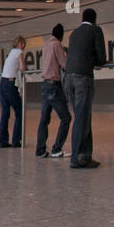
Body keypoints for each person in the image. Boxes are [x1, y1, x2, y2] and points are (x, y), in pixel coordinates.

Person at [64, 8, 106, 169]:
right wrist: (96, 60)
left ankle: (85, 156)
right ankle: (76, 158)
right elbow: (101, 57)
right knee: (82, 118)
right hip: (83, 78)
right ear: (95, 19)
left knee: (82, 116)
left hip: (69, 78)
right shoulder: (95, 30)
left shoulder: (74, 33)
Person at [35, 24, 71, 158]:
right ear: (61, 35)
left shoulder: (46, 45)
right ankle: (57, 149)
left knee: (44, 119)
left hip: (45, 84)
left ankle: (40, 150)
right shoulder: (57, 45)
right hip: (54, 86)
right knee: (66, 117)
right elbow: (64, 65)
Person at [0, 35, 25, 148]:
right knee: (19, 112)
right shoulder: (19, 52)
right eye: (21, 43)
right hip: (10, 84)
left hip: (3, 83)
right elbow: (23, 68)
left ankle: (3, 141)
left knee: (5, 113)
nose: (23, 45)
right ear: (18, 44)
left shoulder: (11, 53)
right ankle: (16, 140)